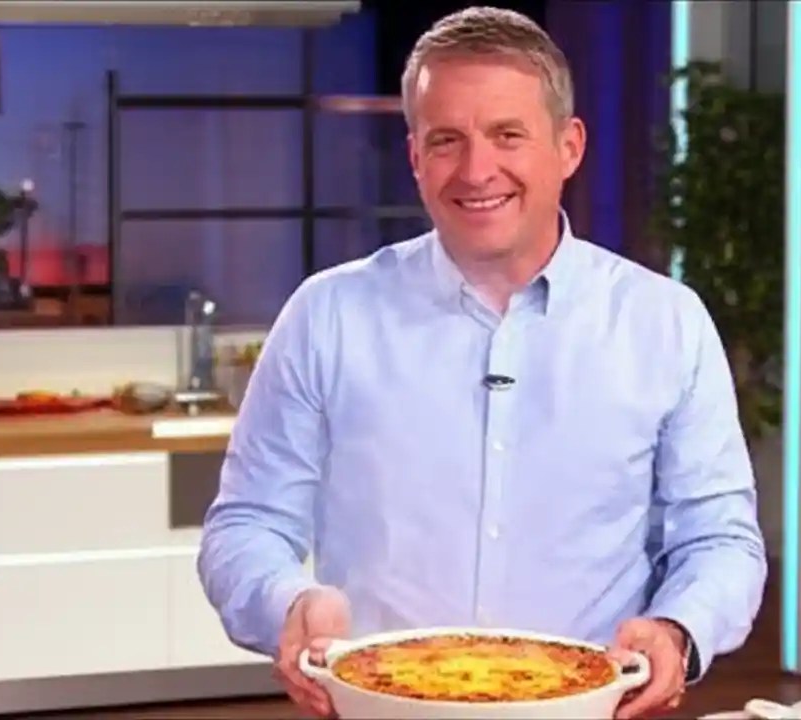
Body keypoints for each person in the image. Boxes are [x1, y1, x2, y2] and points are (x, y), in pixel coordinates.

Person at [197, 6, 766, 719]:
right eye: (446, 140)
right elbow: (245, 526)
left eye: (507, 135)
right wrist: (288, 602)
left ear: (568, 146)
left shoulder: (665, 322)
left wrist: (678, 630)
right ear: (414, 156)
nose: (476, 170)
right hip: (382, 705)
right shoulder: (326, 316)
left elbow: (720, 539)